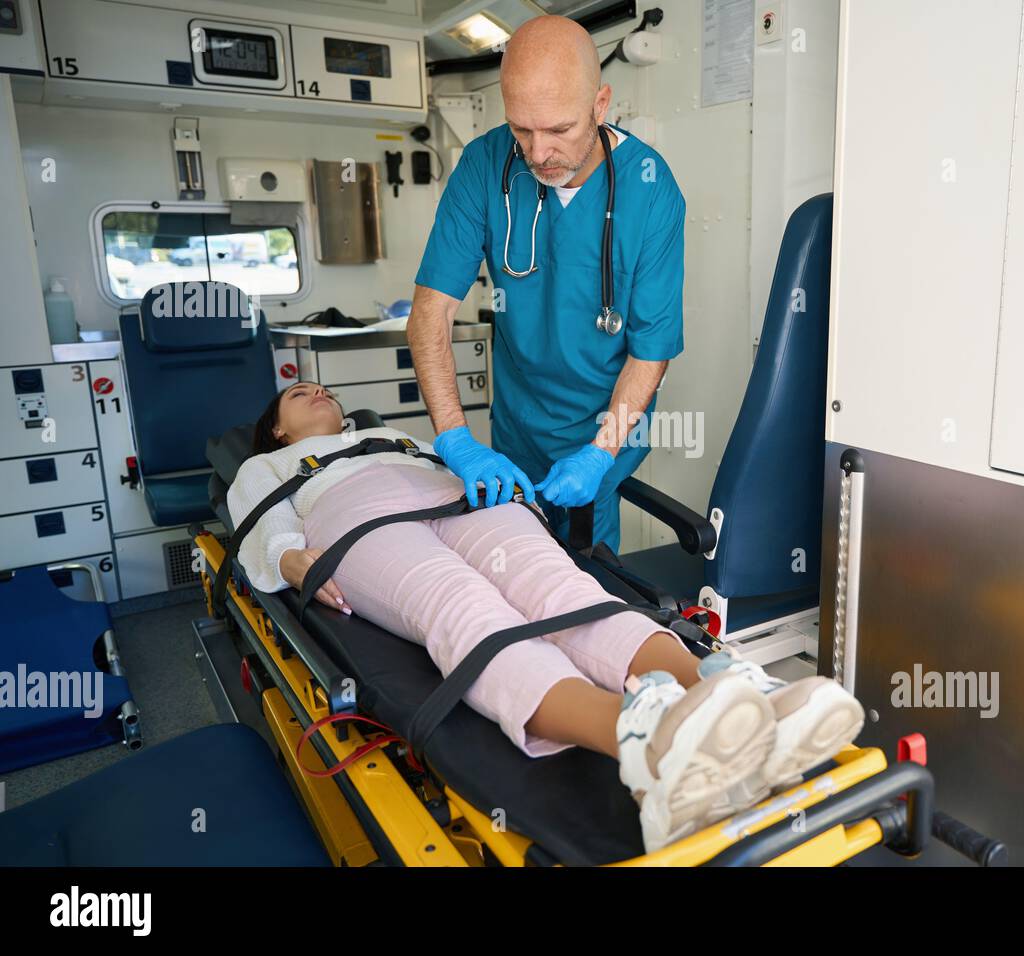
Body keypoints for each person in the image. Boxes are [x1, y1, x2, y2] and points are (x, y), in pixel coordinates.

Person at [226, 381, 865, 852]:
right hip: (356, 525)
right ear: (276, 431)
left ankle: (723, 688)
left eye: (323, 389)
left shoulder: (397, 438)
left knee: (562, 588)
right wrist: (292, 565)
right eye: (296, 393)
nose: (316, 391)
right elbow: (266, 533)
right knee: (464, 609)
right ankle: (639, 740)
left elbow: (460, 462)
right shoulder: (264, 467)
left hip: (465, 502)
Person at [407, 14, 686, 553]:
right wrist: (455, 440)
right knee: (513, 562)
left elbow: (651, 351)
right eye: (521, 129)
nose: (537, 153)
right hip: (516, 429)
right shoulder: (483, 165)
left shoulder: (650, 189)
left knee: (586, 574)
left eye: (559, 130)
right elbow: (430, 312)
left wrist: (601, 453)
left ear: (600, 106)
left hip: (602, 437)